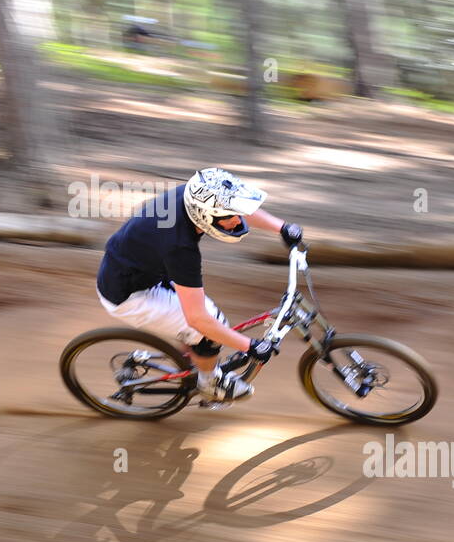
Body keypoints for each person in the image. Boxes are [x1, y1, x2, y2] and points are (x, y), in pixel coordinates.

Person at [95, 168, 304, 404]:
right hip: (129, 296)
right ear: (206, 215)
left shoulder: (196, 193)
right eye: (230, 216)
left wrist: (282, 227)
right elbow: (198, 319)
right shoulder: (181, 249)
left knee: (206, 322)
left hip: (135, 267)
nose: (238, 220)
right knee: (209, 330)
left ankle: (193, 355)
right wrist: (251, 346)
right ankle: (209, 384)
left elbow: (235, 206)